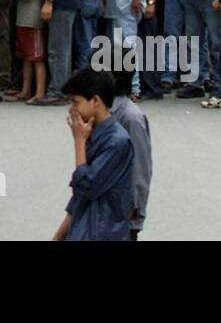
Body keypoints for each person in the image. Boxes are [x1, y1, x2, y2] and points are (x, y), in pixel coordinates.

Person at [51, 68, 134, 242]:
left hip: (102, 232)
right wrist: (59, 235)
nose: (72, 110)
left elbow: (86, 188)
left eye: (75, 102)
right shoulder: (94, 133)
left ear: (95, 100)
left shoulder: (116, 142)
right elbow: (79, 198)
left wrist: (79, 143)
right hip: (84, 228)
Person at [108, 69, 153, 240]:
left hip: (122, 218)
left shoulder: (131, 118)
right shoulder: (102, 111)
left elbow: (140, 170)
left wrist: (134, 215)